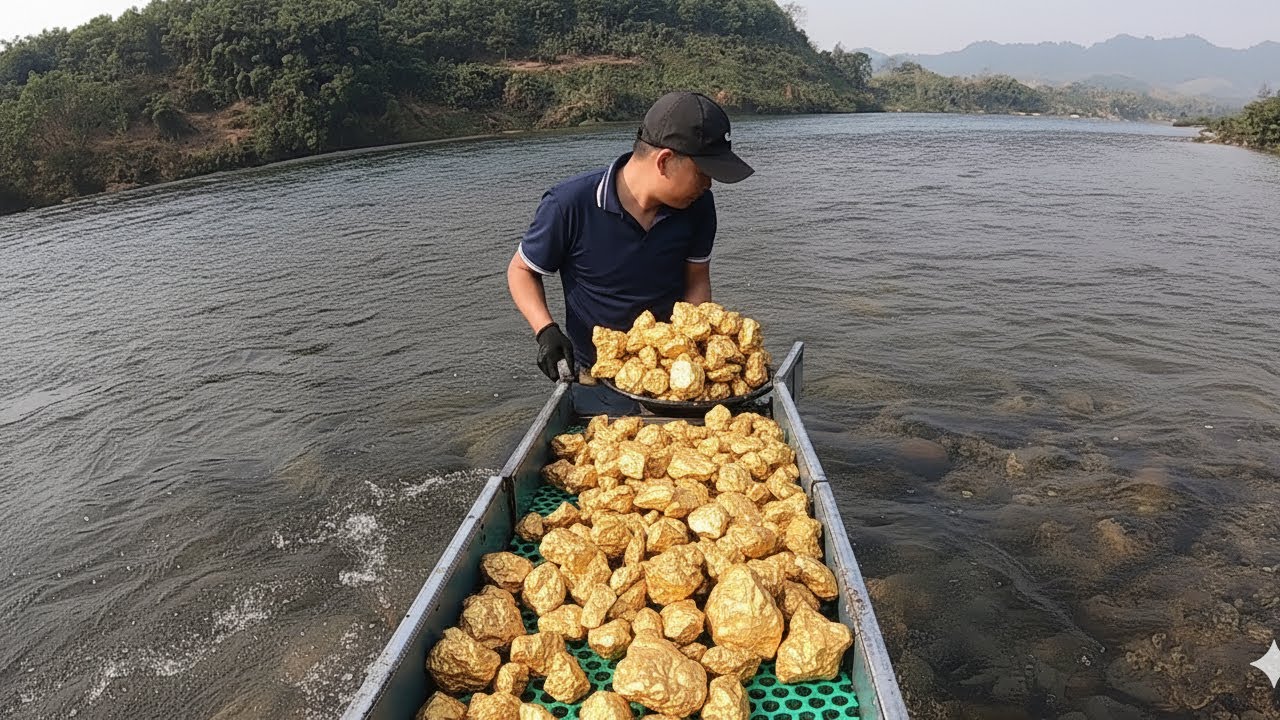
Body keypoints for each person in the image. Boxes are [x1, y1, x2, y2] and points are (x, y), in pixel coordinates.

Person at [506, 91, 754, 414]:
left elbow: (696, 280)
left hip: (668, 376)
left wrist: (695, 353)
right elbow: (522, 270)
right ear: (664, 161)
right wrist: (545, 330)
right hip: (596, 377)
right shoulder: (570, 204)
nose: (709, 184)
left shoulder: (698, 207)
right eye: (704, 173)